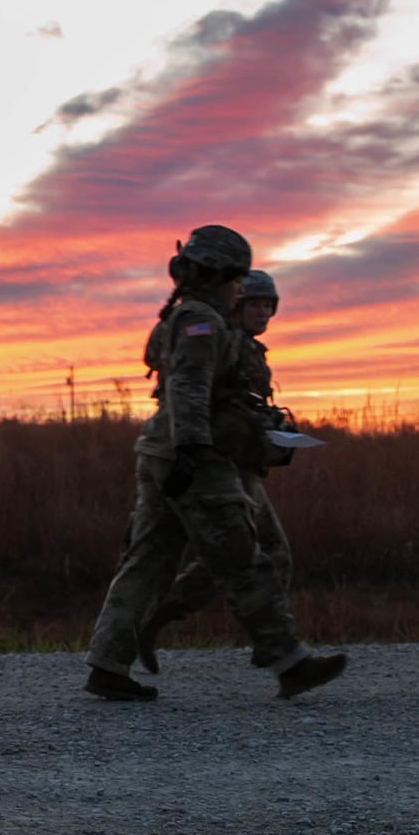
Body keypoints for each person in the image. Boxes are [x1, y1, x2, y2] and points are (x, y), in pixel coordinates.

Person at [83, 226, 346, 702]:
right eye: (238, 279)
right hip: (194, 456)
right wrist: (192, 452)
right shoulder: (199, 320)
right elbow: (189, 387)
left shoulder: (189, 317)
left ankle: (108, 664)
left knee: (149, 560)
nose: (243, 288)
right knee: (241, 557)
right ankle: (289, 662)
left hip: (165, 451)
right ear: (220, 276)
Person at [135, 268, 293, 671]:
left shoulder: (247, 349)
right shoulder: (214, 339)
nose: (263, 312)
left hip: (239, 463)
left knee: (250, 553)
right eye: (255, 304)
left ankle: (271, 646)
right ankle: (278, 649)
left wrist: (278, 433)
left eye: (268, 305)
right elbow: (200, 402)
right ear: (236, 304)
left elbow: (247, 410)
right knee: (246, 554)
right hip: (216, 465)